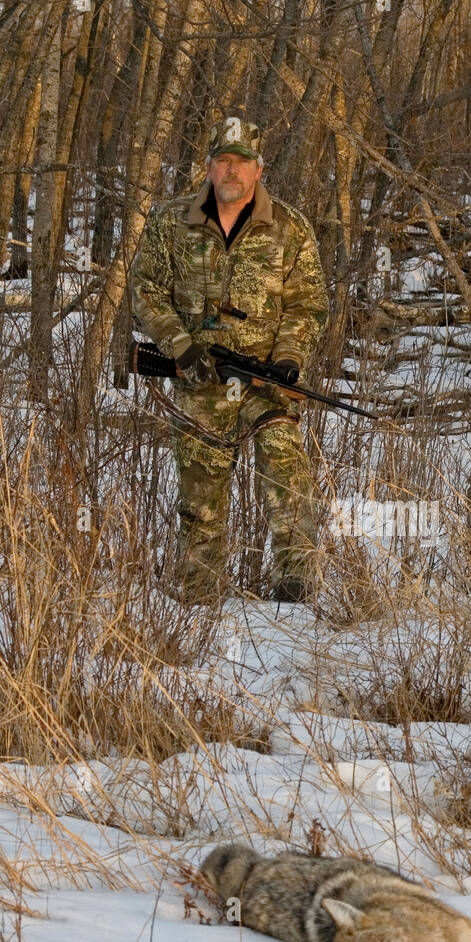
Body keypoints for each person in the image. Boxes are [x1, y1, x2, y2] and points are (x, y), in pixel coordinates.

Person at [131, 114, 329, 604]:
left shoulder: (289, 227)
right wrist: (181, 345)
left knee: (287, 476)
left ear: (258, 170)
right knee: (200, 500)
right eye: (223, 161)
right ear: (208, 167)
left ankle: (295, 588)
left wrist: (287, 358)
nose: (231, 171)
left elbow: (309, 303)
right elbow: (145, 290)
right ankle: (198, 596)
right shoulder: (169, 222)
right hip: (201, 381)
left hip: (265, 382)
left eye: (241, 163)